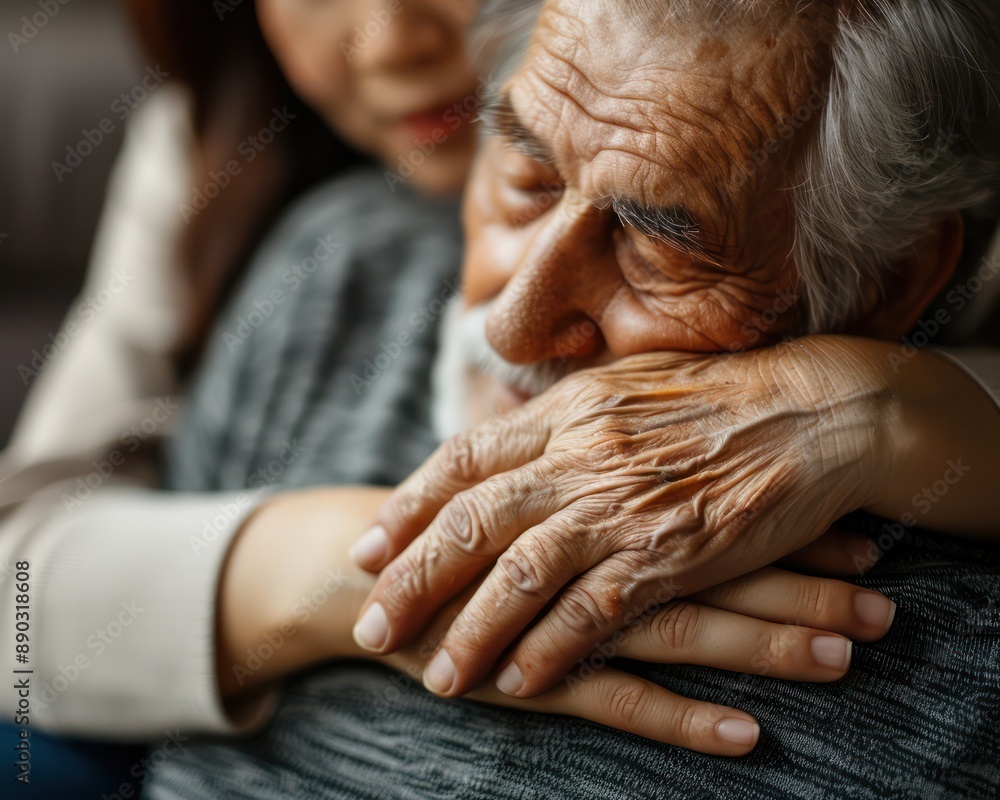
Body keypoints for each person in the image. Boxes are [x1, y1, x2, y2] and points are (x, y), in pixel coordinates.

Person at [0, 0, 886, 786]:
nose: (390, 43)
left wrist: (887, 412)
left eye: (657, 240)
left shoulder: (865, 156)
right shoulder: (219, 150)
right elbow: (17, 591)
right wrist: (384, 567)